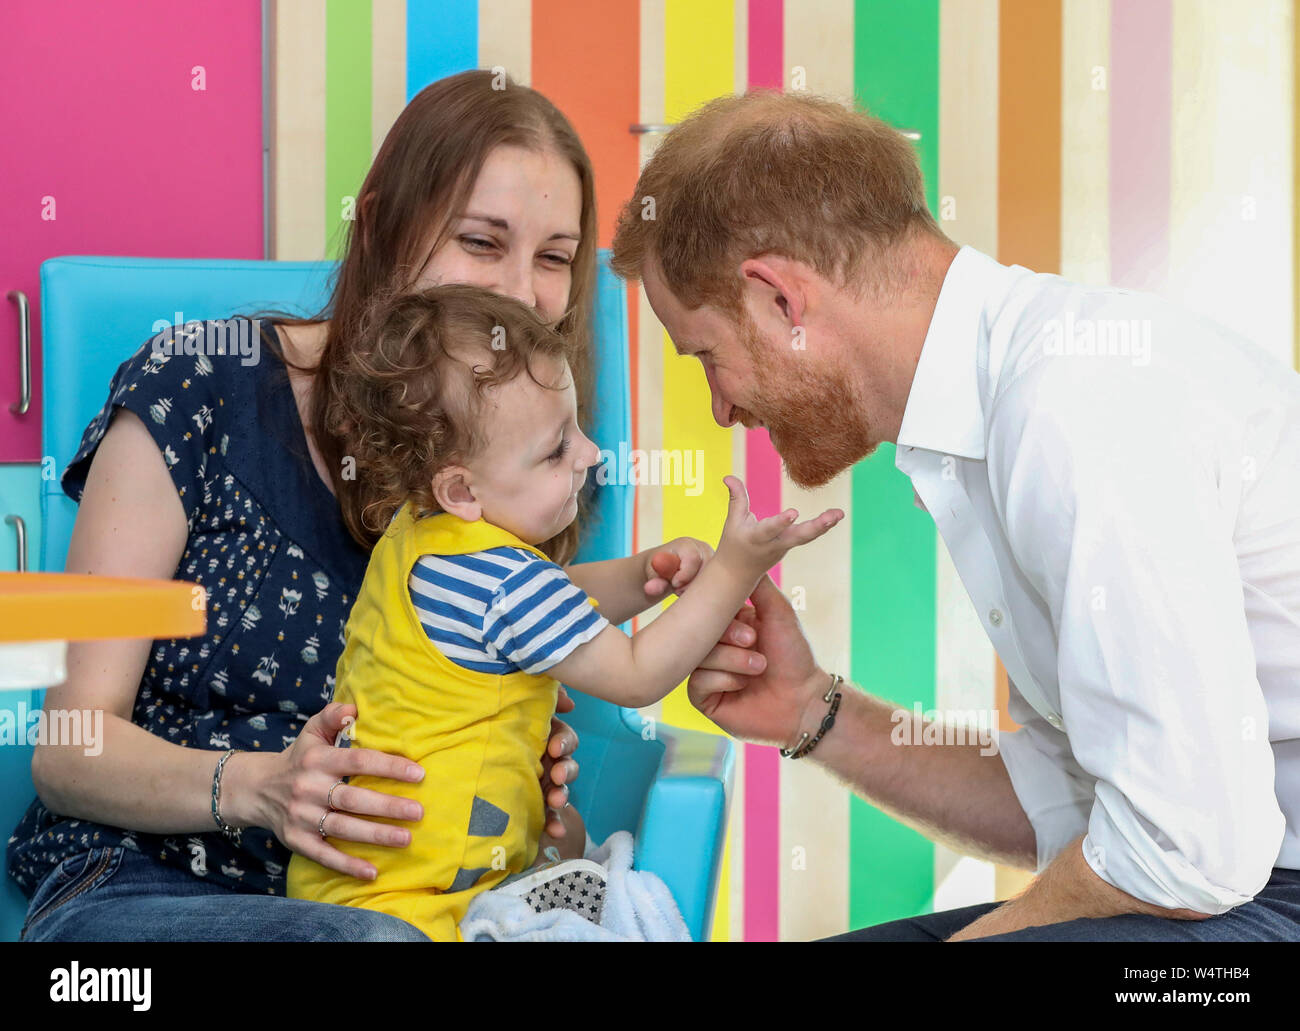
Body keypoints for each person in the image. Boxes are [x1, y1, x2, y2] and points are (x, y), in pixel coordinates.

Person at [6, 69, 757, 943]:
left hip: (420, 903)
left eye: (554, 257)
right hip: (144, 886)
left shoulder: (519, 459)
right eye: (482, 241)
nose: (520, 293)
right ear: (383, 227)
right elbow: (69, 747)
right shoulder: (198, 390)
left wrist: (520, 795)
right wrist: (258, 786)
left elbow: (547, 756)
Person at [609, 88, 1300, 941]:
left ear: (780, 300)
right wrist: (808, 708)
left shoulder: (1070, 405)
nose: (720, 408)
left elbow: (1184, 851)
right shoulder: (1000, 406)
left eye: (706, 356)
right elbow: (1087, 805)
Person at [284, 284, 841, 940]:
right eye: (555, 450)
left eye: (577, 427)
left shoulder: (424, 540)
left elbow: (548, 596)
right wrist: (734, 568)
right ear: (461, 488)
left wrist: (641, 578)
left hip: (343, 889)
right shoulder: (499, 580)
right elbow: (636, 672)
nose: (589, 454)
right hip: (416, 907)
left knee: (571, 844)